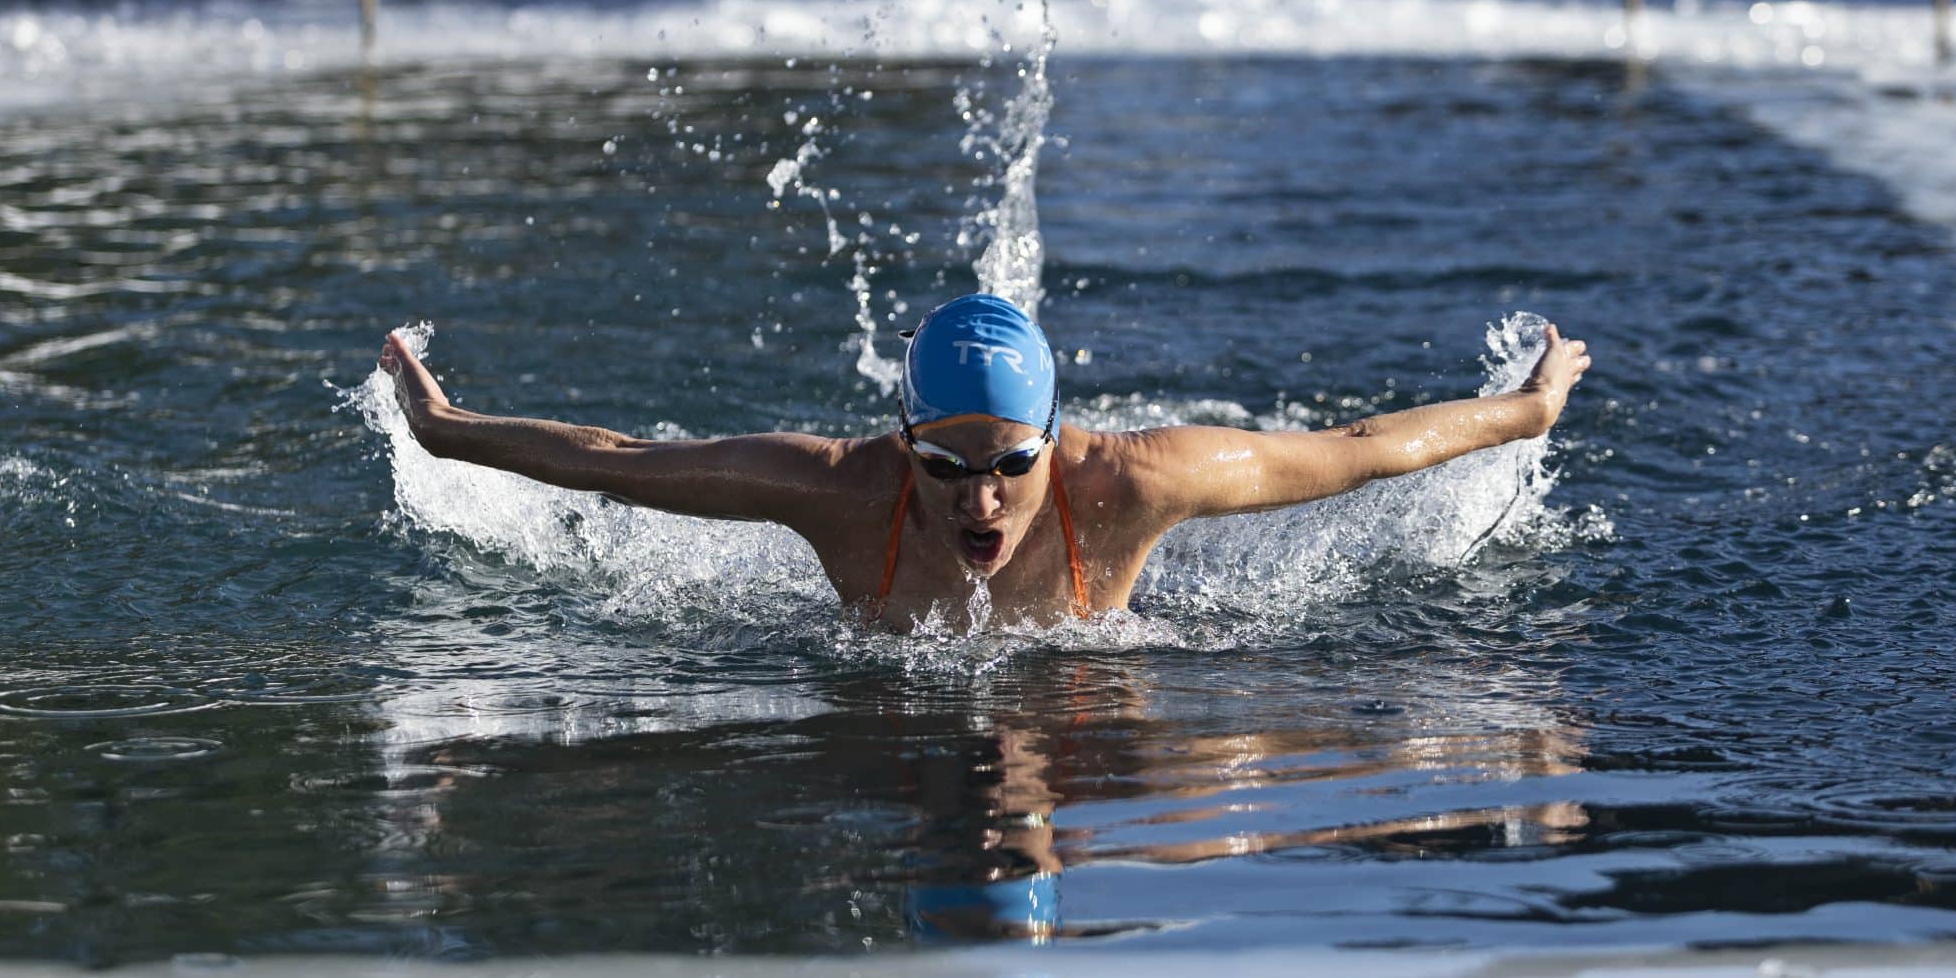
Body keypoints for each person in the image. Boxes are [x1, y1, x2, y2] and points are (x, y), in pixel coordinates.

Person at [379, 294, 1590, 631]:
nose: (981, 495)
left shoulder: (1129, 483)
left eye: (1010, 460)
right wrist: (450, 429)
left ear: (1054, 439)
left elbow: (1355, 451)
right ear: (898, 444)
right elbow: (626, 462)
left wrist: (1521, 413)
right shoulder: (840, 491)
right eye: (944, 466)